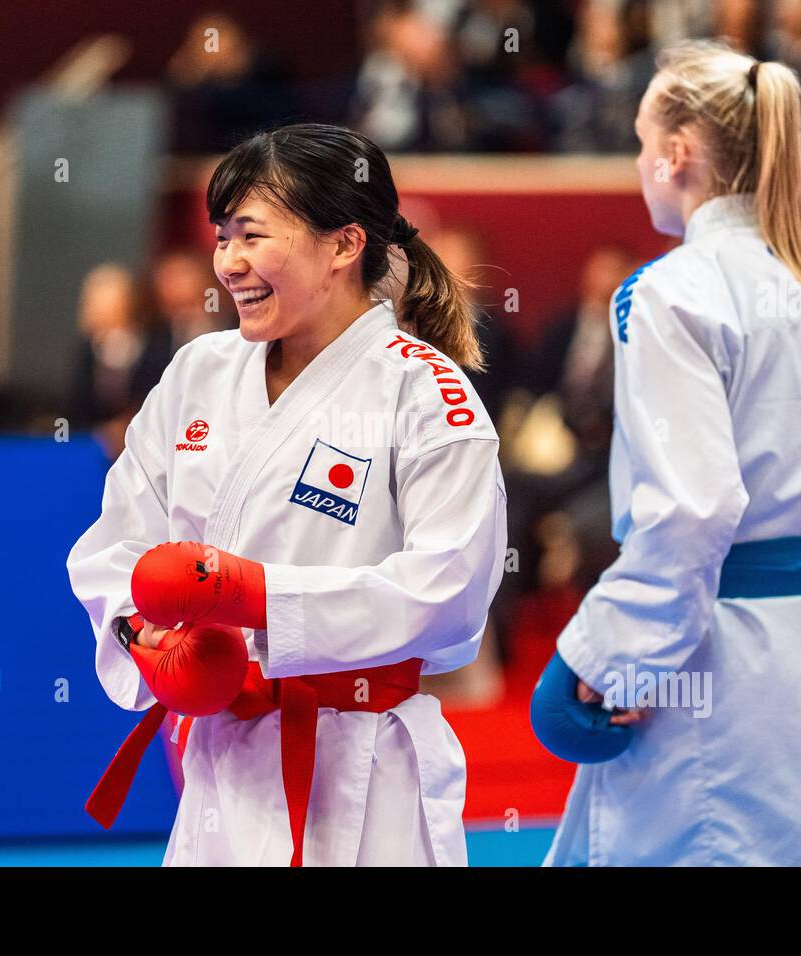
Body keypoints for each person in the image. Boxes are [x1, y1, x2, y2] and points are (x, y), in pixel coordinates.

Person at [536, 41, 801, 866]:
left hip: (722, 651)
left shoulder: (671, 289)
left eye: (644, 141)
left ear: (678, 153)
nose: (640, 160)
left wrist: (602, 655)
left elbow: (692, 510)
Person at [67, 123, 508, 867]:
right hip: (219, 760)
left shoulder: (426, 390)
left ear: (343, 244)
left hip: (366, 770)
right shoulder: (197, 372)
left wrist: (259, 599)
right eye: (222, 238)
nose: (229, 264)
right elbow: (116, 549)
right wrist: (144, 639)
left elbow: (452, 588)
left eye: (253, 236)